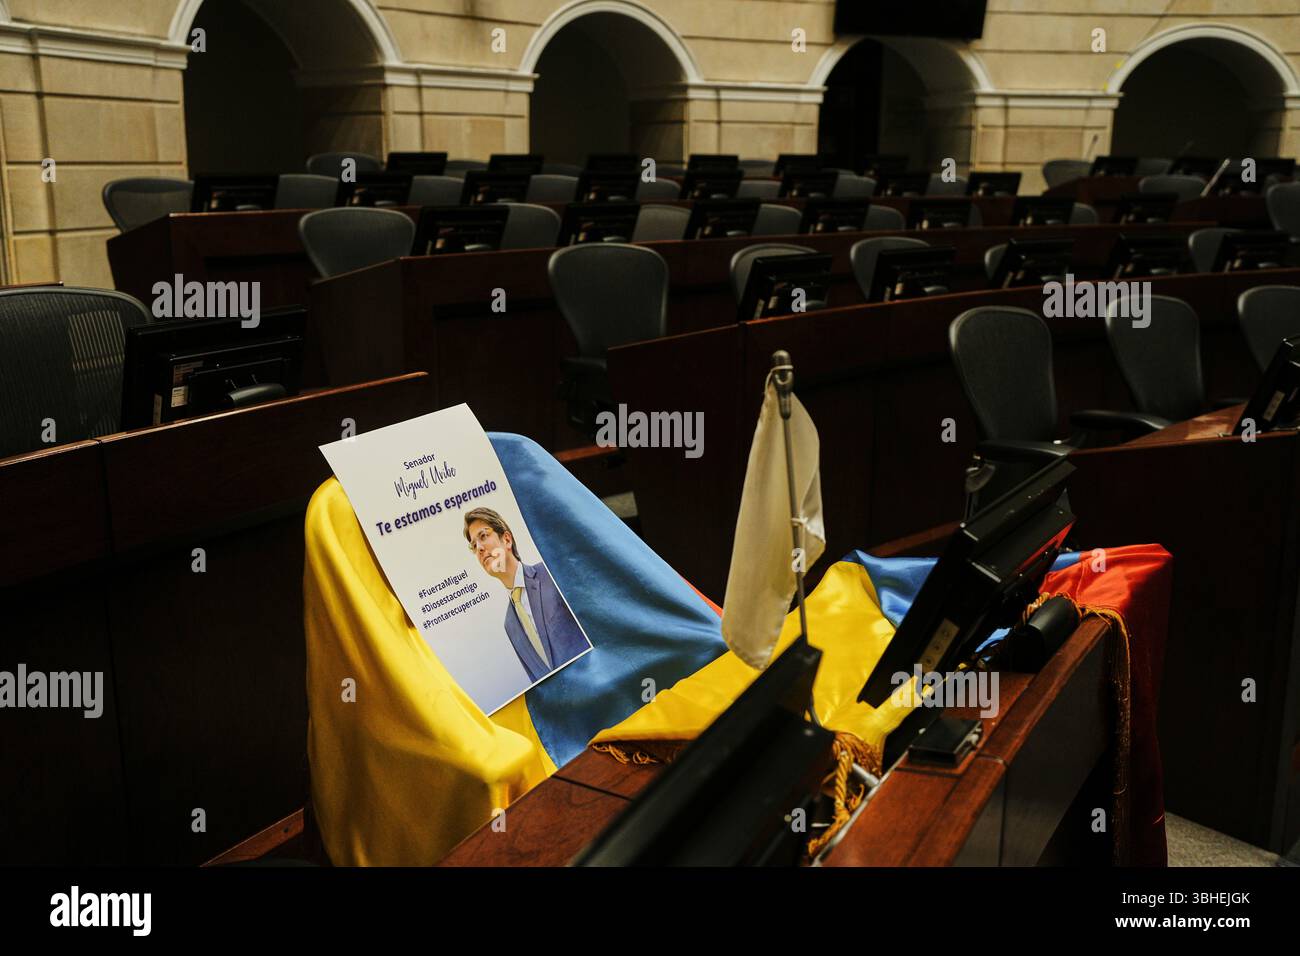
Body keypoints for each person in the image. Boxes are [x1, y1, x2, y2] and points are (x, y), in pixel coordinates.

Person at [463, 507, 590, 682]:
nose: (479, 548)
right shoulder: (509, 625)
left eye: (483, 536)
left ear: (507, 539)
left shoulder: (551, 572)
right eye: (474, 546)